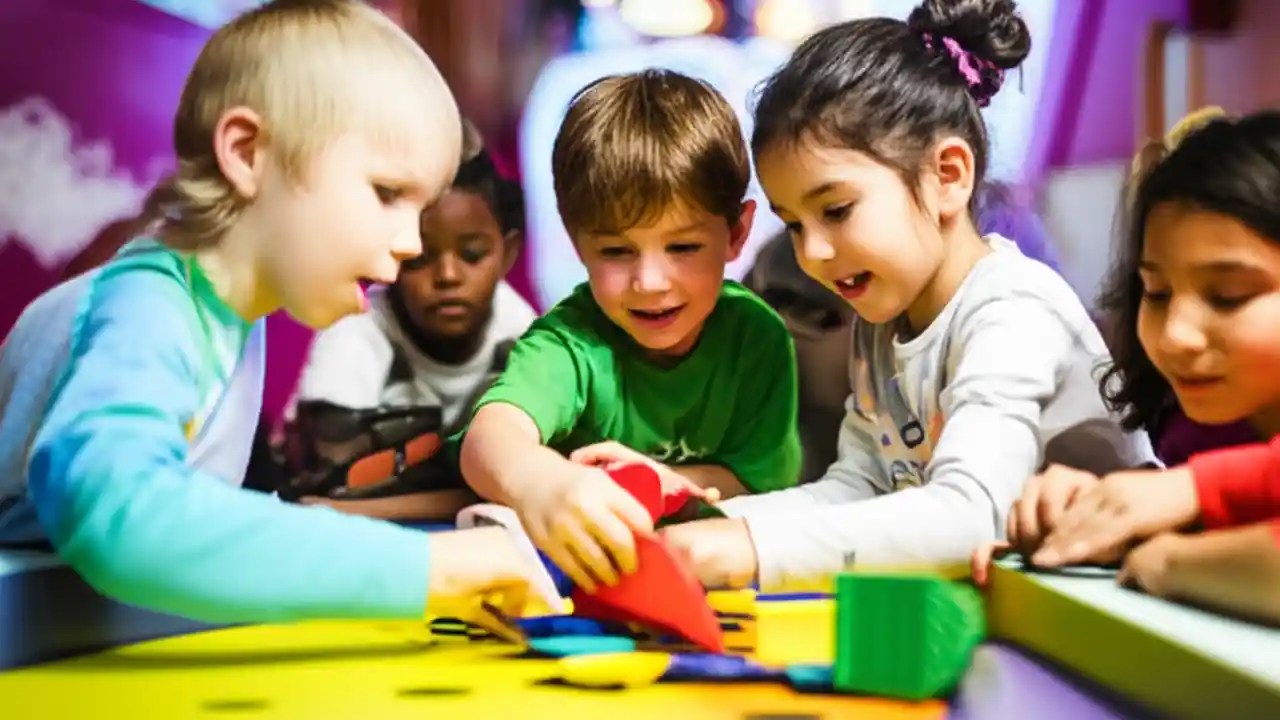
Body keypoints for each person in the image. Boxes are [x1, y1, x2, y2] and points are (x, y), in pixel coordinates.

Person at [0, 0, 533, 629]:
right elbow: (114, 509)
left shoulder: (229, 315)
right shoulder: (148, 303)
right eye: (388, 193)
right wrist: (427, 567)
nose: (413, 243)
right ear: (248, 153)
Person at [660, 0, 1151, 591]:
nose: (811, 253)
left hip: (1122, 608)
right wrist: (704, 522)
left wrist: (750, 547)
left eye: (836, 210)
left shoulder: (1013, 312)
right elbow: (859, 487)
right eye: (793, 223)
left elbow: (970, 516)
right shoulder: (882, 321)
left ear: (948, 175)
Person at [458, 70, 802, 593]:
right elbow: (489, 439)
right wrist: (544, 483)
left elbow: (763, 485)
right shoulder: (570, 343)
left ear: (736, 233)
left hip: (708, 583)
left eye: (683, 247)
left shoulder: (758, 337)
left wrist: (654, 483)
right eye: (616, 251)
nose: (650, 282)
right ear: (576, 244)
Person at [979, 110, 1280, 623]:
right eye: (1156, 292)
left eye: (1229, 296)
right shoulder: (1193, 433)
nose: (1175, 335)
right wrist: (1106, 512)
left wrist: (1175, 549)